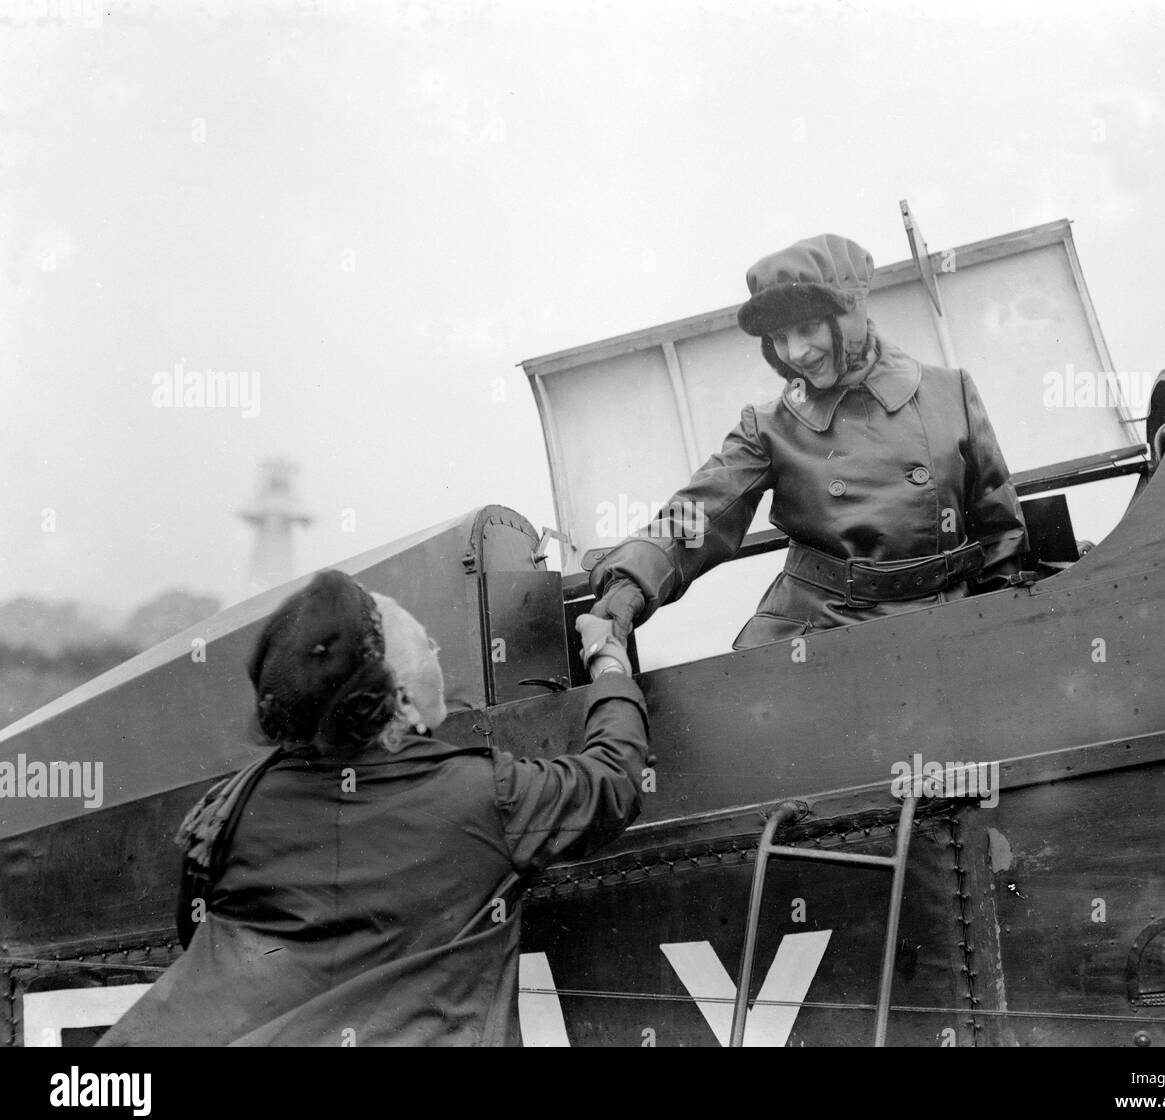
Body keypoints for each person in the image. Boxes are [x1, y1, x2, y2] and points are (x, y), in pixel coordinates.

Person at [99, 569, 646, 1047]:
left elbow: (202, 941)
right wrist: (608, 660)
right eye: (428, 648)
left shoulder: (228, 809)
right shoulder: (482, 796)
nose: (438, 657)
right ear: (402, 701)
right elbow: (613, 780)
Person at [590, 233, 1028, 650]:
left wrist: (1002, 620)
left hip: (946, 619)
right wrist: (631, 579)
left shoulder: (950, 391)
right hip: (822, 630)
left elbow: (999, 527)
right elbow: (698, 512)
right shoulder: (768, 425)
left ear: (850, 313)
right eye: (780, 338)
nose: (795, 352)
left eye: (808, 328)